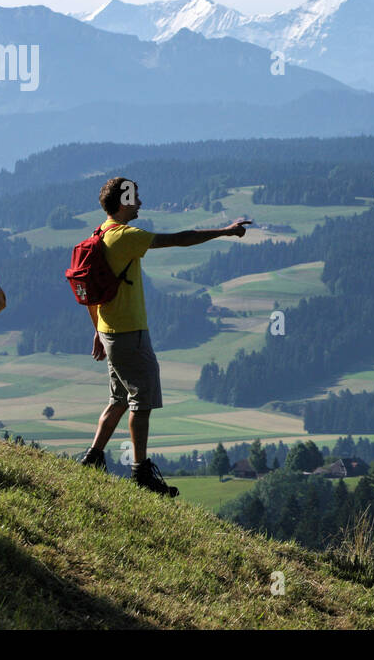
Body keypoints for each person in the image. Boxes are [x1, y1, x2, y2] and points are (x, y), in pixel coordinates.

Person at [80, 176, 250, 495]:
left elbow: (91, 293)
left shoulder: (99, 232)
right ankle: (140, 473)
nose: (140, 203)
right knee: (140, 403)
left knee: (118, 399)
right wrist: (225, 231)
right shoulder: (124, 236)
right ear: (123, 202)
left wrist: (97, 331)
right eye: (135, 198)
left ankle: (92, 458)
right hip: (130, 334)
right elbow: (180, 239)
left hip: (110, 330)